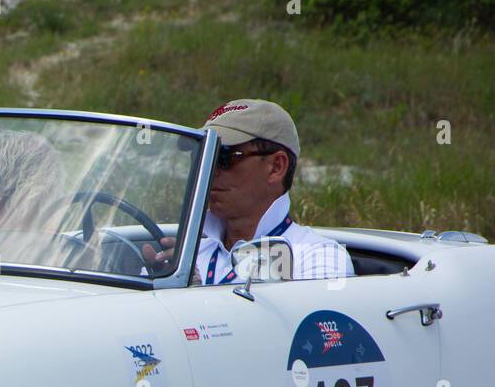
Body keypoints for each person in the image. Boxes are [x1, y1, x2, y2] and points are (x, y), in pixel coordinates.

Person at [144, 99, 354, 283]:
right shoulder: (185, 257)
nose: (209, 170)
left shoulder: (319, 257)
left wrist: (192, 295)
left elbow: (301, 328)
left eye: (224, 157)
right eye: (203, 156)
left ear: (276, 167)